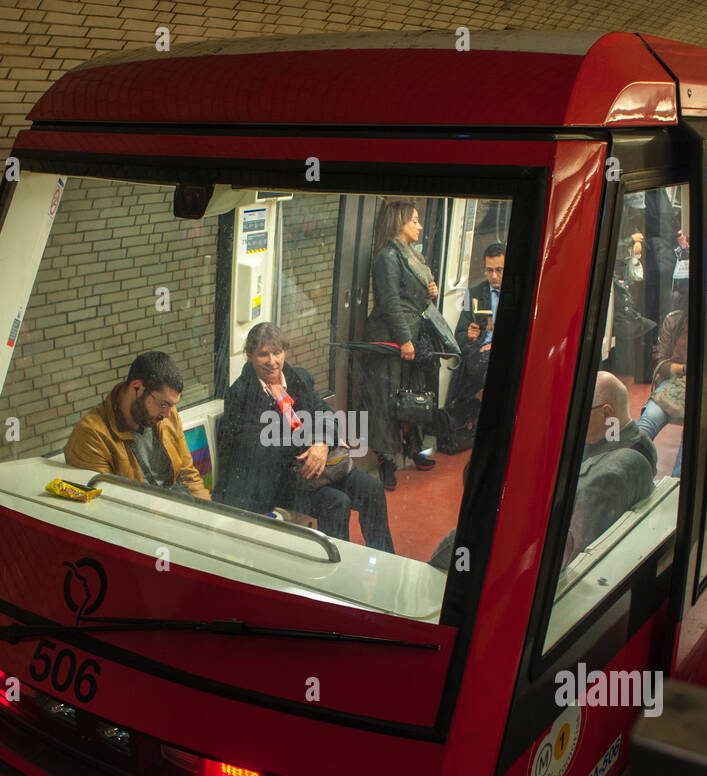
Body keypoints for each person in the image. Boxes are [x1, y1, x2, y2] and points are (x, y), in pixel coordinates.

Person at [215, 323, 394, 552]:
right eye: (263, 354)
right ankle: (338, 571)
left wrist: (321, 444)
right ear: (249, 356)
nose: (272, 361)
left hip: (319, 468)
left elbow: (326, 413)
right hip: (281, 480)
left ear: (285, 351)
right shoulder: (241, 394)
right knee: (337, 503)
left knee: (372, 489)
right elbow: (254, 447)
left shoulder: (298, 379)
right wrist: (306, 450)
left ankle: (384, 556)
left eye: (277, 352)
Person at [362, 199, 440, 491]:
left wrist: (430, 291)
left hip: (411, 334)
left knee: (410, 394)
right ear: (399, 222)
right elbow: (390, 302)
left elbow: (412, 296)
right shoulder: (387, 257)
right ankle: (386, 462)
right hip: (391, 337)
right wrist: (404, 339)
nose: (420, 226)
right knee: (386, 399)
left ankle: (413, 447)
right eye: (415, 220)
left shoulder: (411, 255)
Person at [63, 351, 209, 500]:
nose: (168, 414)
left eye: (171, 405)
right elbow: (104, 504)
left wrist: (207, 513)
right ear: (137, 388)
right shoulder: (91, 436)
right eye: (163, 404)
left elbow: (188, 475)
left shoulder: (166, 414)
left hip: (173, 505)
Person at [564, 372, 657, 564]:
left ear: (607, 413)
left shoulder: (604, 480)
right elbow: (612, 439)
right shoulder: (641, 442)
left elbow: (577, 558)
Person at [446, 242, 505, 437]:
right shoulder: (473, 293)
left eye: (499, 270)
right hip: (479, 353)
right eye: (489, 271)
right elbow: (460, 334)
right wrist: (469, 338)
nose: (494, 276)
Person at [636, 299, 689, 477]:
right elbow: (662, 363)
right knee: (647, 422)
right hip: (676, 383)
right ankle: (628, 469)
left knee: (694, 433)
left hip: (706, 389)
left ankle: (677, 485)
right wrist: (684, 369)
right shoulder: (675, 320)